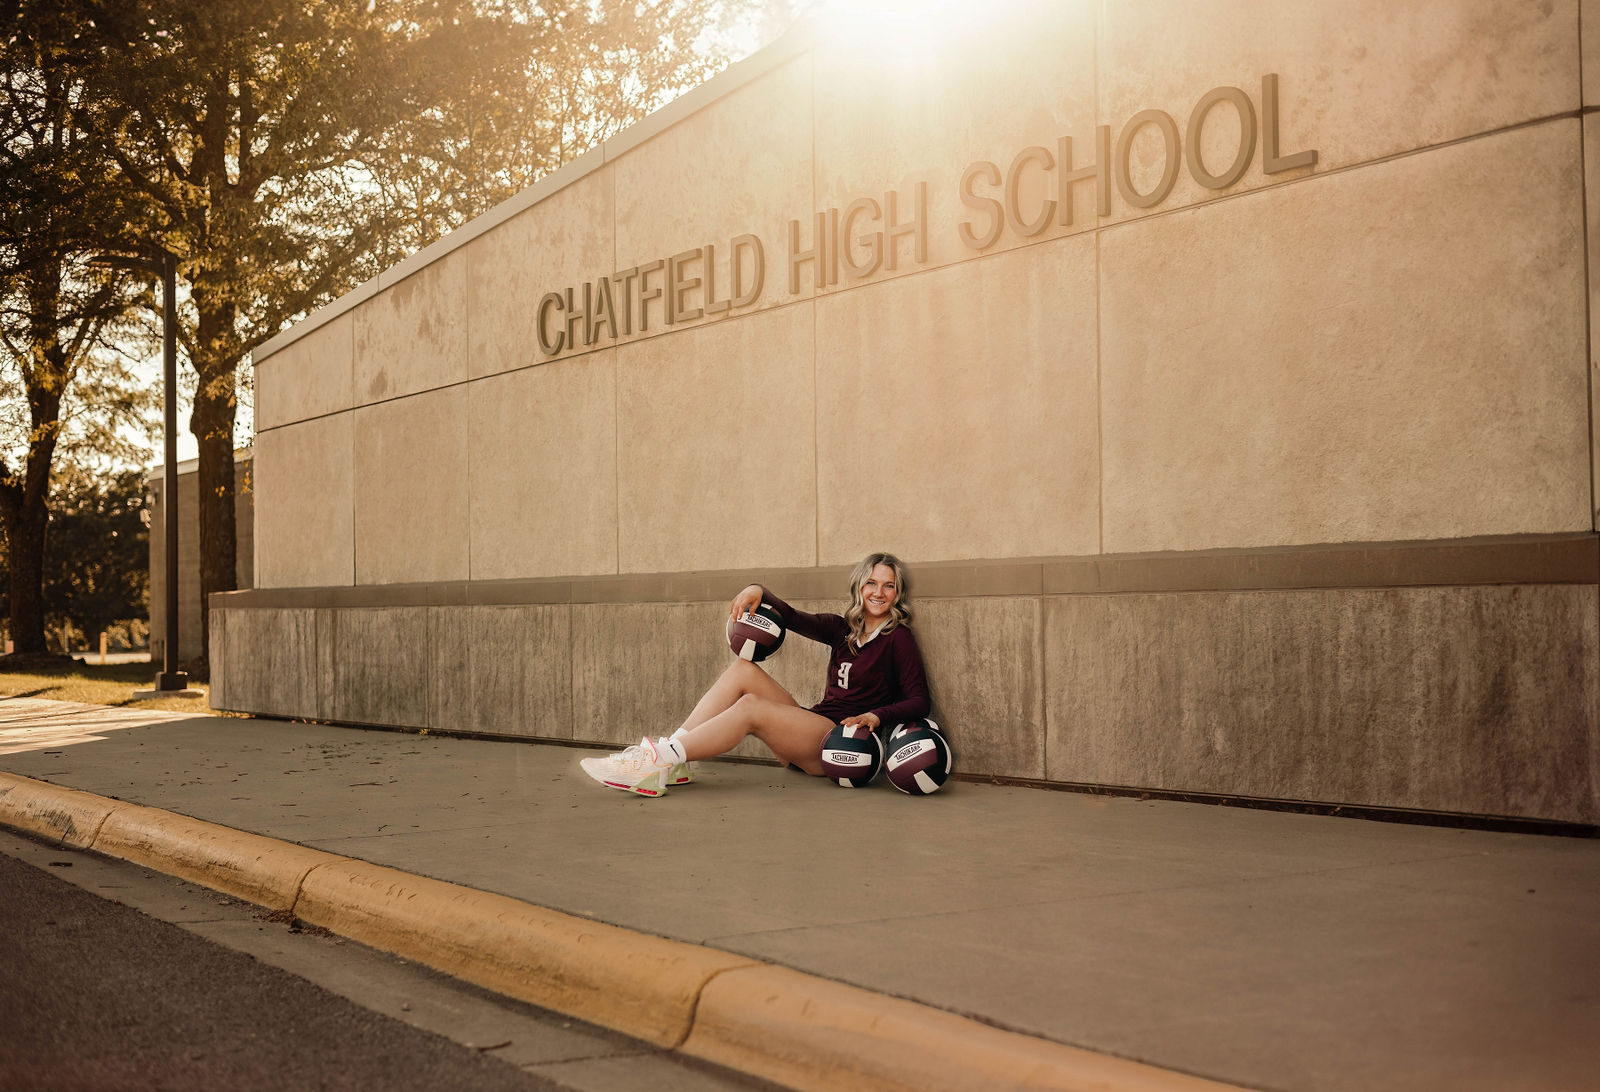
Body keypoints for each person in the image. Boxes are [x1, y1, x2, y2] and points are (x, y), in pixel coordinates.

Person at [579, 552, 931, 797]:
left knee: (750, 707)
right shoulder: (842, 629)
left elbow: (919, 700)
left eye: (888, 586)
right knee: (743, 670)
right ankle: (671, 760)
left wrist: (874, 715)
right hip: (809, 726)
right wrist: (756, 589)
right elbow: (791, 617)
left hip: (834, 743)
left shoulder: (897, 637)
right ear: (859, 587)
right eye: (872, 583)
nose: (878, 592)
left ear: (897, 593)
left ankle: (659, 759)